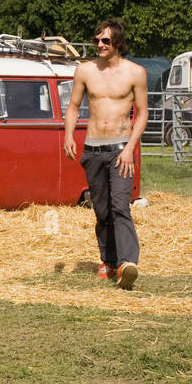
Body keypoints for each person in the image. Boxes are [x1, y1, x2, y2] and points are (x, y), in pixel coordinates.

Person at [63, 19, 148, 290]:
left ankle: (127, 264)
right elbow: (74, 107)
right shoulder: (84, 71)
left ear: (118, 43)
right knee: (101, 210)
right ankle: (108, 261)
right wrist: (68, 135)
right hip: (92, 150)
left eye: (106, 41)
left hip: (121, 149)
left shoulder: (135, 73)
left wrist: (129, 149)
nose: (100, 45)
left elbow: (142, 113)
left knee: (120, 206)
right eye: (97, 40)